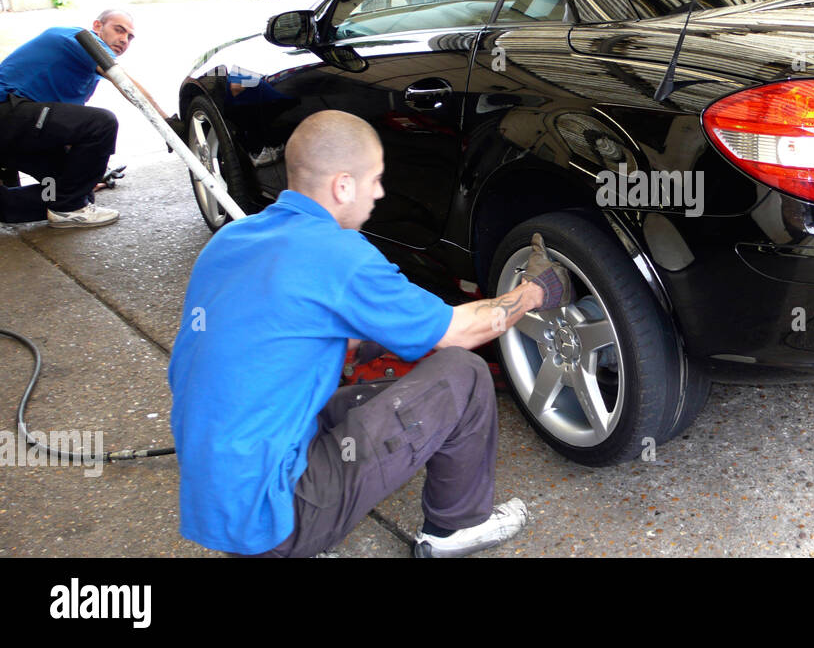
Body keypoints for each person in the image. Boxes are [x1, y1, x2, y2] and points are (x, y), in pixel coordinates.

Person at [167, 110, 573, 558]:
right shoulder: (339, 254)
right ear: (343, 185)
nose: (380, 193)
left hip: (215, 496)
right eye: (375, 180)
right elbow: (458, 332)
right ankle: (455, 530)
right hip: (274, 519)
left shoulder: (231, 239)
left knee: (361, 384)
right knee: (465, 372)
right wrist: (536, 291)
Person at [0, 8, 150, 228]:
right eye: (119, 30)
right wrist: (170, 122)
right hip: (9, 113)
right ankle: (68, 209)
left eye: (129, 37)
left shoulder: (84, 75)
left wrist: (86, 173)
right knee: (102, 123)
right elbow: (127, 85)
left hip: (24, 129)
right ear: (97, 26)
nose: (124, 40)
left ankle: (28, 206)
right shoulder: (76, 38)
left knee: (71, 190)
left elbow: (67, 134)